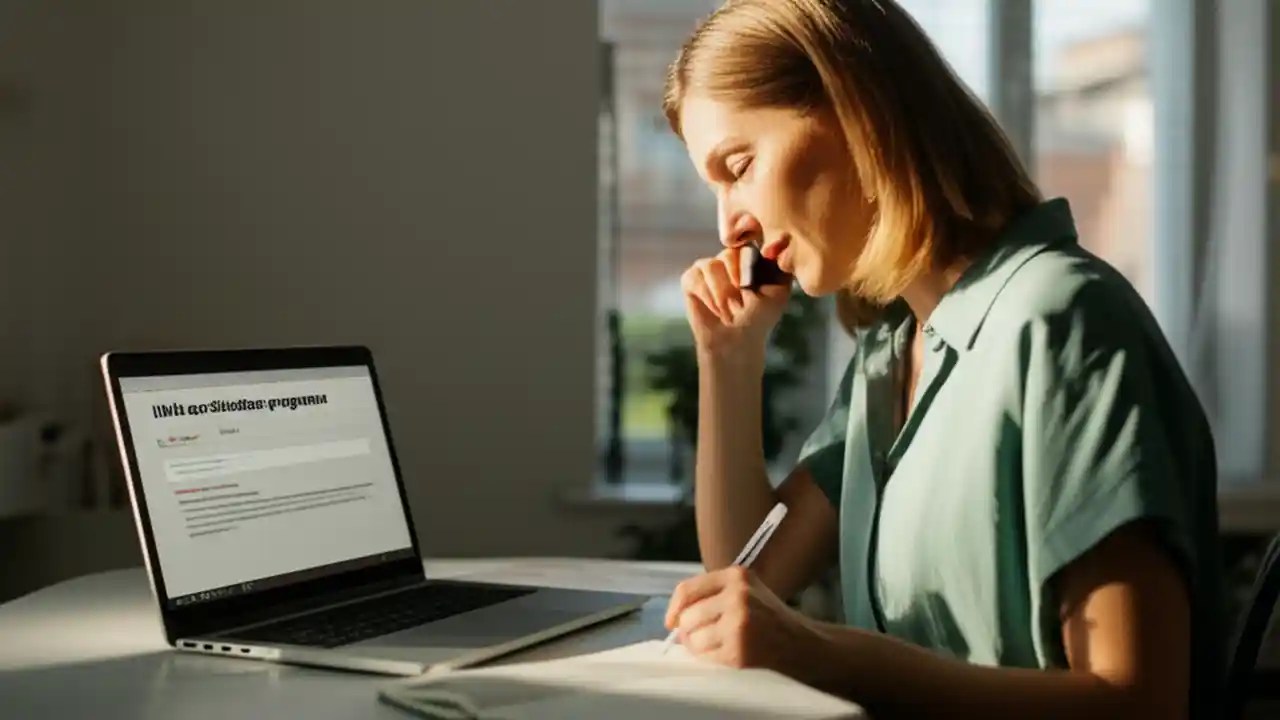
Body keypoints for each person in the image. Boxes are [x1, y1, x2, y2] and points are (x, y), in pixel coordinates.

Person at [659, 1, 1222, 717]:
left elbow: (1141, 703)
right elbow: (749, 574)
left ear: (856, 111)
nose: (727, 225)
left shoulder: (1059, 323)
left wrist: (823, 654)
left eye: (738, 167)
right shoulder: (890, 354)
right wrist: (729, 361)